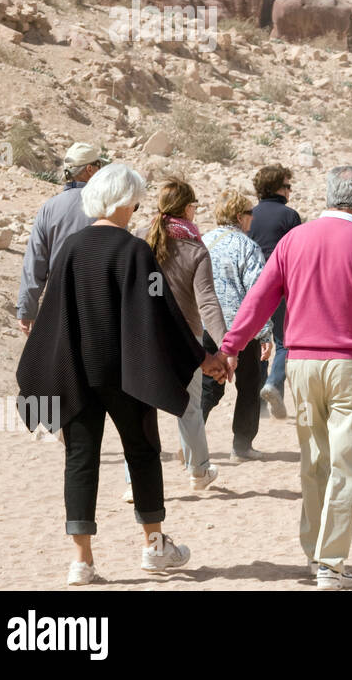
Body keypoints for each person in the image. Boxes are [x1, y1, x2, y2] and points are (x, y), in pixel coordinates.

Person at [17, 162, 225, 586]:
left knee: (80, 459)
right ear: (124, 201)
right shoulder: (134, 251)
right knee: (143, 451)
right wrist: (202, 356)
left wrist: (41, 369)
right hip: (127, 373)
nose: (136, 208)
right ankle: (154, 546)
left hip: (76, 370)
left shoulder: (71, 249)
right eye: (135, 201)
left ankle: (81, 561)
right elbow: (161, 311)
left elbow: (53, 314)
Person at [218, 166, 352, 590]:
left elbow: (258, 301)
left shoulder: (293, 241)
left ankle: (313, 554)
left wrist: (230, 347)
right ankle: (331, 563)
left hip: (302, 367)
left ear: (327, 197)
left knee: (314, 461)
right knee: (345, 465)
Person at [143, 179, 228, 492]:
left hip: (144, 338)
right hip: (185, 341)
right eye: (194, 205)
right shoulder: (195, 249)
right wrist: (224, 347)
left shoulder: (141, 242)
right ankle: (199, 471)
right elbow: (207, 302)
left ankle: (131, 480)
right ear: (186, 208)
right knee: (189, 408)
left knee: (141, 411)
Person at [200, 188, 274, 461]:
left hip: (207, 326)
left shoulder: (203, 241)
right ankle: (241, 446)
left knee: (208, 386)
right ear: (240, 216)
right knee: (249, 386)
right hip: (243, 329)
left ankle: (192, 441)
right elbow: (258, 293)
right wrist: (266, 332)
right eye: (249, 213)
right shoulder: (247, 247)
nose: (252, 219)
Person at [16, 141, 107, 334]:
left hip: (57, 304)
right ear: (90, 169)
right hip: (97, 308)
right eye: (99, 166)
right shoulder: (108, 209)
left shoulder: (49, 208)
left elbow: (35, 263)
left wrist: (27, 309)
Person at [250, 165, 302, 420]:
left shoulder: (249, 214)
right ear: (278, 189)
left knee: (258, 340)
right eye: (288, 186)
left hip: (252, 286)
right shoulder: (289, 215)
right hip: (281, 284)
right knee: (284, 342)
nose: (290, 190)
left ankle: (258, 403)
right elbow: (297, 255)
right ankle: (273, 384)